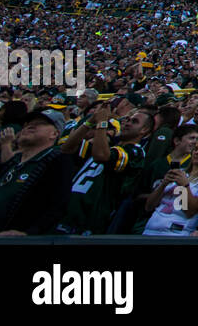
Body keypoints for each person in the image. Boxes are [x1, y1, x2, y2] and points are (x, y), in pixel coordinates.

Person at [58, 100, 154, 234]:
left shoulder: (136, 152)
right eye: (127, 119)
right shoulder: (105, 145)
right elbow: (67, 148)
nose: (127, 123)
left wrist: (101, 123)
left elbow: (101, 156)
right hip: (66, 212)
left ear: (145, 130)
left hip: (89, 221)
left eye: (134, 121)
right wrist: (90, 121)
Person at [0, 108, 72, 236]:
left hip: (5, 239)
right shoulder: (13, 161)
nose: (30, 126)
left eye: (40, 123)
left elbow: (58, 205)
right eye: (27, 124)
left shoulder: (56, 160)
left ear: (54, 134)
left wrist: (28, 234)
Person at [140, 133, 198, 236]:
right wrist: (163, 185)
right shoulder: (181, 172)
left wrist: (184, 186)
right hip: (150, 229)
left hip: (176, 233)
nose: (197, 152)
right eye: (195, 149)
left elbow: (190, 211)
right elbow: (149, 206)